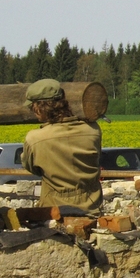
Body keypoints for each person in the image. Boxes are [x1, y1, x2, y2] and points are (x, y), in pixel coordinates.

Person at [21, 79, 103, 212]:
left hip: (53, 210)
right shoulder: (93, 130)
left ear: (39, 108)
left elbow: (32, 168)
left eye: (32, 107)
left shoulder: (34, 138)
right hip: (91, 208)